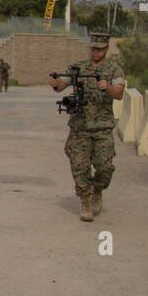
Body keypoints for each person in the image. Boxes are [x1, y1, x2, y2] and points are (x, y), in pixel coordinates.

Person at [48, 32, 124, 222]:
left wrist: (108, 87)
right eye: (93, 48)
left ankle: (97, 189)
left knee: (105, 167)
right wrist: (55, 83)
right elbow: (61, 85)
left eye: (99, 49)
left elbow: (119, 94)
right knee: (79, 167)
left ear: (106, 49)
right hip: (80, 127)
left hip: (102, 127)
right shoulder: (78, 68)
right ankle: (85, 201)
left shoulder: (114, 70)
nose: (95, 52)